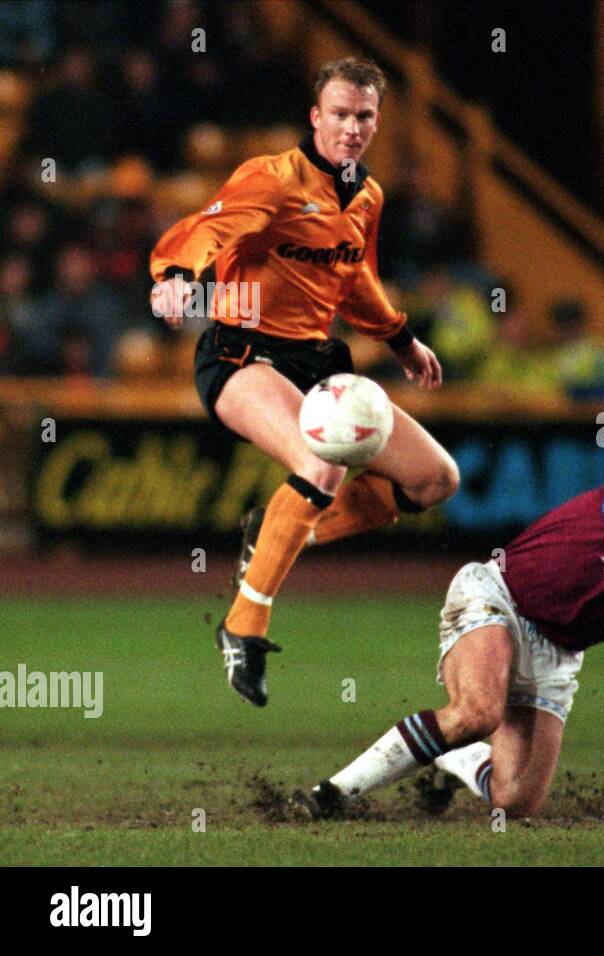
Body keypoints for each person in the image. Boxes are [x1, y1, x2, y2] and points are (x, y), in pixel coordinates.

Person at [149, 57, 459, 708]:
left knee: (435, 480)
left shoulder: (367, 196)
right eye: (340, 115)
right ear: (316, 117)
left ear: (378, 120)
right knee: (322, 461)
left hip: (318, 360)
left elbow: (354, 280)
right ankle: (245, 624)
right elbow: (208, 228)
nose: (352, 128)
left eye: (364, 117)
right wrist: (177, 274)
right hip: (242, 353)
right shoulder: (271, 179)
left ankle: (278, 531)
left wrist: (401, 339)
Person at [290, 426, 604, 819]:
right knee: (478, 713)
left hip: (558, 652)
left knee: (515, 802)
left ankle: (453, 757)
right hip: (500, 597)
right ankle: (332, 792)